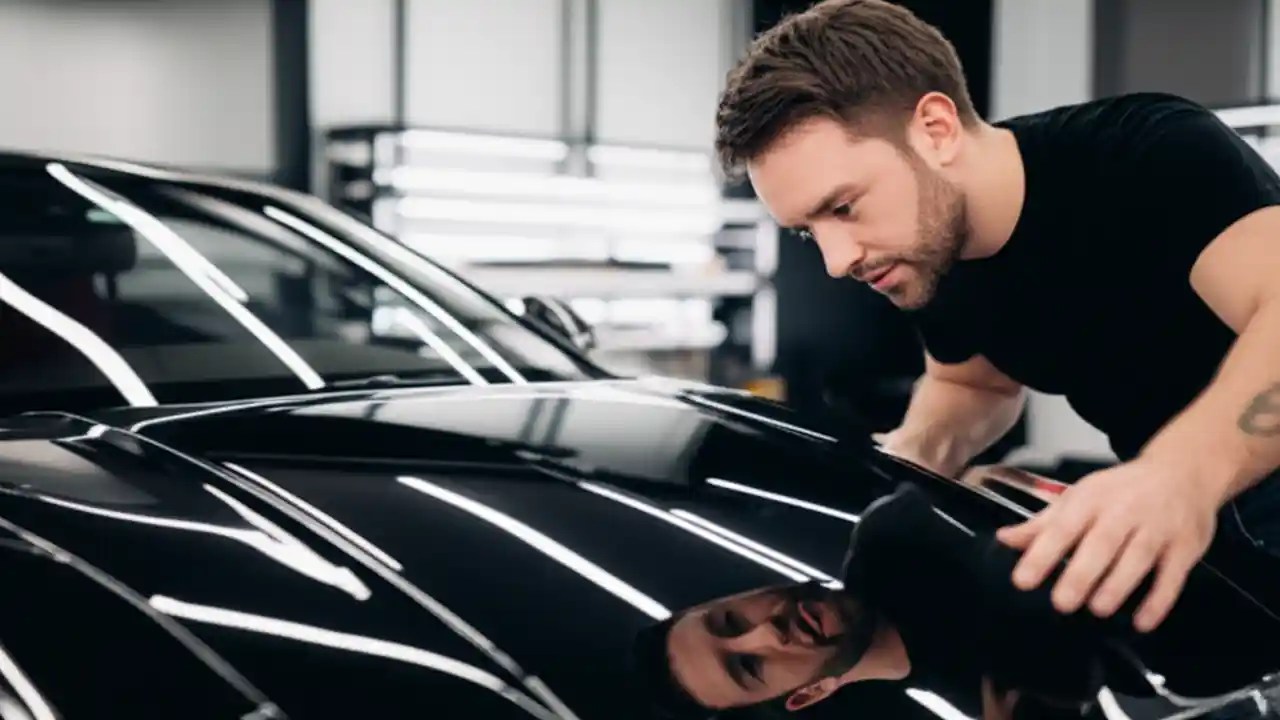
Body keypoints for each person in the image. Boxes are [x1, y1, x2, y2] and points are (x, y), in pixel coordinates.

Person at [714, 0, 1280, 635]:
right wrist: (909, 460)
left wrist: (1180, 475)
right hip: (1204, 536)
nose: (836, 261)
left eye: (843, 208)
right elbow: (972, 384)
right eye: (805, 233)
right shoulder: (936, 252)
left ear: (935, 128)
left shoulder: (1148, 152)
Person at [630, 484, 1139, 719]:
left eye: (731, 618)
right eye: (748, 666)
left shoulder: (897, 529)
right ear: (808, 696)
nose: (766, 631)